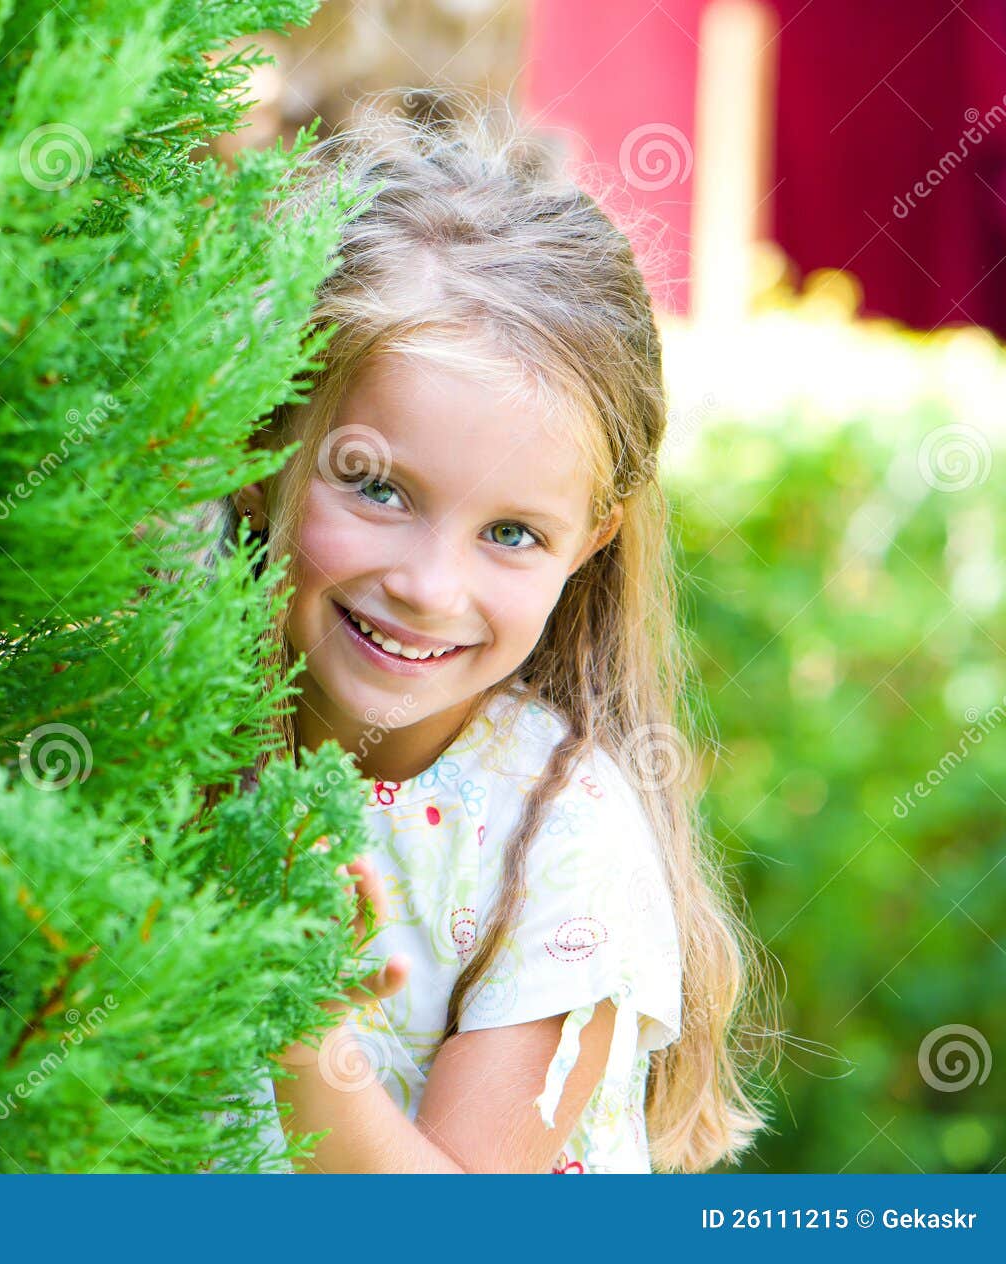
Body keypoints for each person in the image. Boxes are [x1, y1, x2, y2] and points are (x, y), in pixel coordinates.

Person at [224, 95, 769, 1173]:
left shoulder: (561, 841)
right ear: (261, 444)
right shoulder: (152, 724)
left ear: (589, 542)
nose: (429, 588)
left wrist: (303, 1036)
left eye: (511, 533)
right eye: (377, 487)